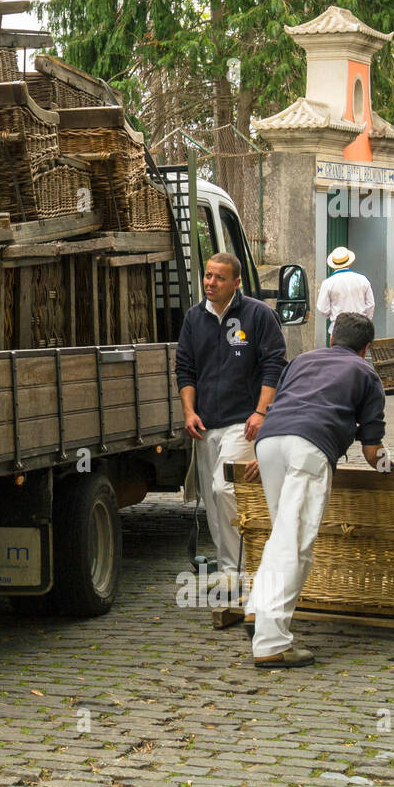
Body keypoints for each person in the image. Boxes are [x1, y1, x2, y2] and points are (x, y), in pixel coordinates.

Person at [242, 313, 394, 667]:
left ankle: (257, 611)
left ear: (330, 338)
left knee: (281, 536)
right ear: (366, 348)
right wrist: (392, 468)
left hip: (269, 442)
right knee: (294, 544)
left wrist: (268, 453)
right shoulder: (365, 373)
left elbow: (284, 404)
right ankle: (271, 643)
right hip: (309, 446)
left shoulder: (303, 359)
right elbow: (372, 450)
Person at [176, 253, 287, 590]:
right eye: (208, 276)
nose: (210, 283)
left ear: (236, 283)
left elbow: (274, 365)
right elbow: (185, 368)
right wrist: (189, 412)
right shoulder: (194, 319)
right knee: (211, 499)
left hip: (244, 421)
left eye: (219, 278)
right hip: (206, 423)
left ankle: (244, 570)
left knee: (225, 489)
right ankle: (228, 570)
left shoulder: (258, 315)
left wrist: (261, 412)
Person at [315, 247, 374, 343]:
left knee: (338, 356)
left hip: (338, 328)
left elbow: (323, 309)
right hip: (360, 328)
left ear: (333, 265)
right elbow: (371, 305)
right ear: (349, 263)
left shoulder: (328, 283)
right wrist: (365, 321)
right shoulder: (362, 280)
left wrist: (333, 312)